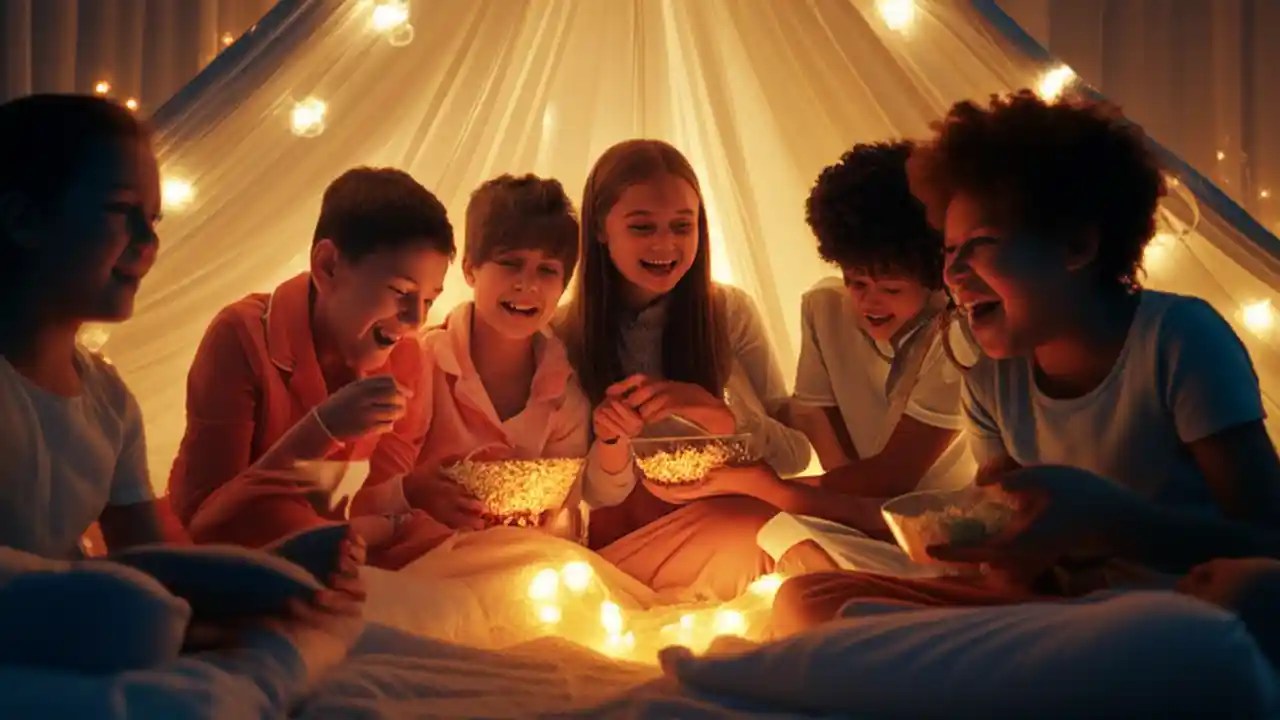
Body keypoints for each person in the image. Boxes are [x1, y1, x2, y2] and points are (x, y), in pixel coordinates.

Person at [771, 90, 1280, 632]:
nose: (954, 274)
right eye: (948, 250)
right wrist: (996, 547)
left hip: (1176, 614)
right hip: (1055, 610)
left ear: (1077, 246)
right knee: (813, 601)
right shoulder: (992, 375)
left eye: (981, 244)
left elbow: (1268, 544)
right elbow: (1011, 556)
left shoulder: (1178, 340)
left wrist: (1105, 517)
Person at [556, 139, 808, 599]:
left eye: (681, 226)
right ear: (598, 227)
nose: (664, 245)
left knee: (791, 541)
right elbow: (589, 495)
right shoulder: (562, 335)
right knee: (769, 538)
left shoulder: (728, 312)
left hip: (739, 531)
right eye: (642, 226)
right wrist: (614, 438)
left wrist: (722, 419)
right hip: (627, 552)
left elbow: (794, 456)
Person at [169, 167, 454, 555]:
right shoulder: (242, 336)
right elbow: (207, 522)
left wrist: (407, 496)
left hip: (345, 550)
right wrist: (322, 430)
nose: (416, 319)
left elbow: (370, 503)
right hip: (234, 559)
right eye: (400, 291)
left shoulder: (406, 354)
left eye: (430, 299)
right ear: (328, 267)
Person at [355, 174, 623, 541]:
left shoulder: (564, 396)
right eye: (510, 263)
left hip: (525, 562)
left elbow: (565, 512)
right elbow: (361, 497)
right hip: (422, 555)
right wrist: (411, 492)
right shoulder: (422, 363)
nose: (527, 285)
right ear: (469, 269)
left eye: (547, 270)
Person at [0, 93, 177, 558]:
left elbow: (148, 561)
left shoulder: (109, 401)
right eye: (121, 210)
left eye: (153, 218)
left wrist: (278, 572)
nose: (148, 240)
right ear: (25, 220)